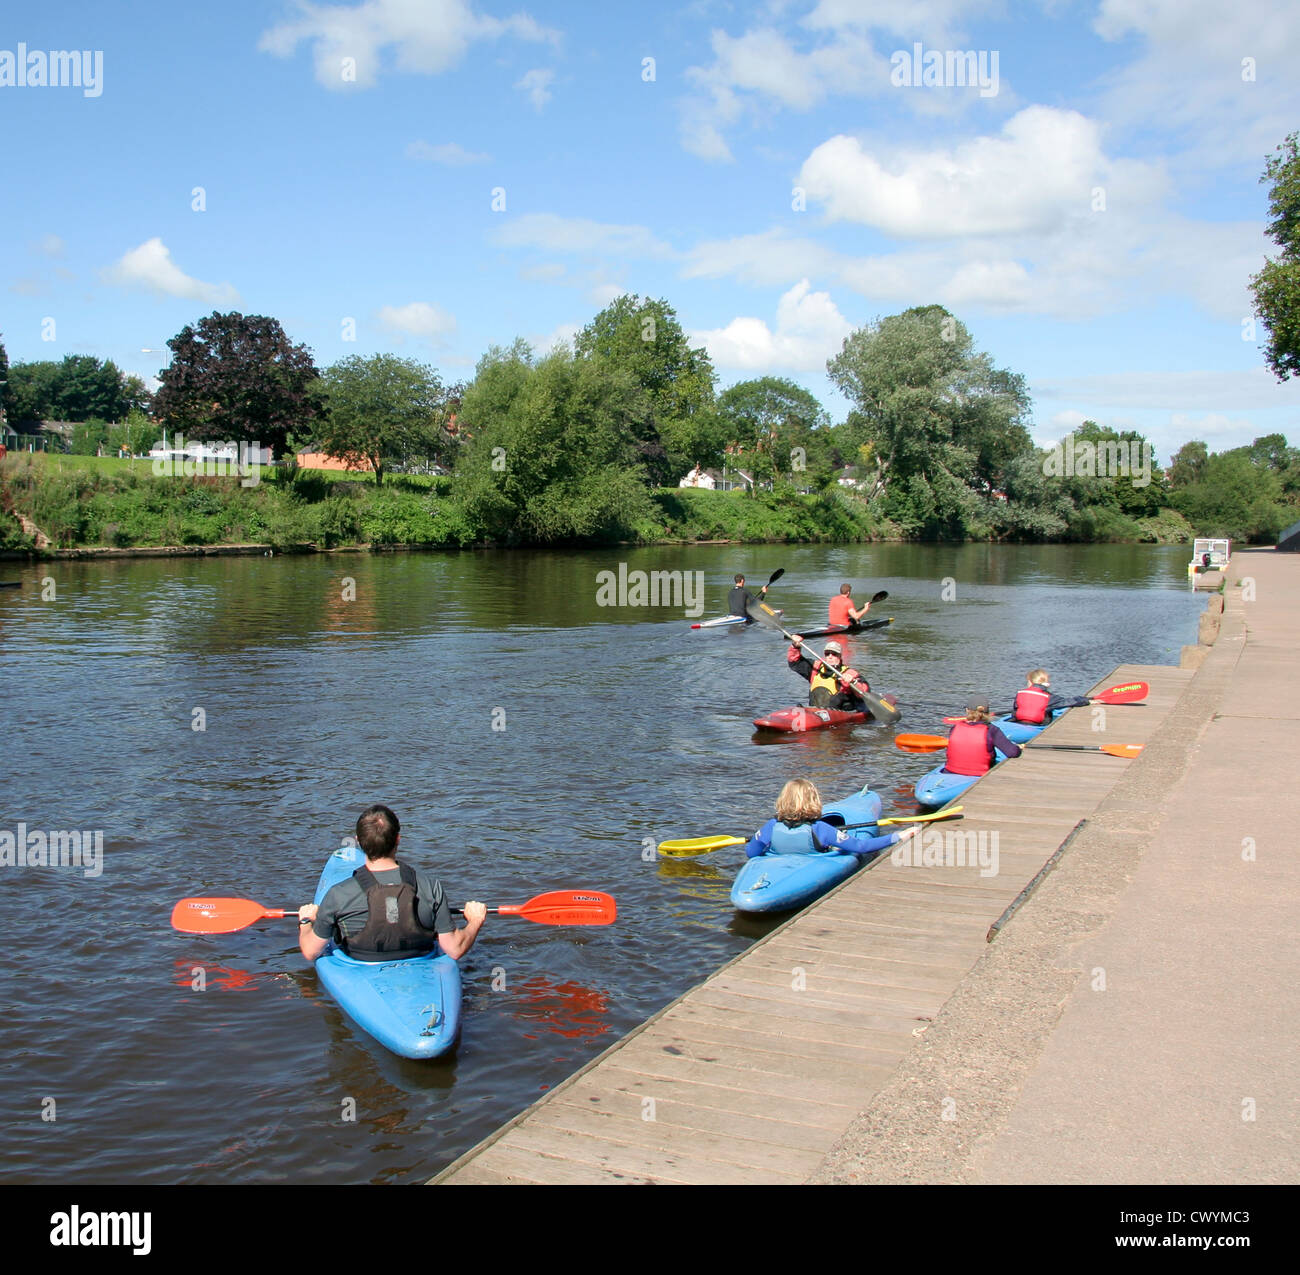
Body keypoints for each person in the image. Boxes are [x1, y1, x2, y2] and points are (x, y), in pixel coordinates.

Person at [297, 804, 486, 963]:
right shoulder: (430, 886)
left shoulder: (338, 894)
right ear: (398, 839)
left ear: (359, 842)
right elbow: (454, 949)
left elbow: (310, 951)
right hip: (419, 959)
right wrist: (474, 921)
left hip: (361, 963)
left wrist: (306, 921)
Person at [743, 779, 917, 860]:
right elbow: (861, 846)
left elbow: (752, 853)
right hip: (812, 864)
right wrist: (899, 836)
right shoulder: (820, 829)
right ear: (814, 801)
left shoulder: (771, 826)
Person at [787, 637, 871, 710]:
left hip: (840, 712)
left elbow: (865, 691)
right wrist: (795, 646)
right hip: (816, 711)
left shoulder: (848, 673)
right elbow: (794, 662)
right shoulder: (815, 668)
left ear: (839, 656)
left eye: (834, 654)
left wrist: (853, 682)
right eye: (827, 654)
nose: (830, 656)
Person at [944, 698, 1022, 776]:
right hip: (979, 774)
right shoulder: (992, 729)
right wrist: (1018, 748)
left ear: (967, 710)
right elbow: (1013, 752)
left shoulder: (955, 728)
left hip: (951, 771)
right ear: (987, 713)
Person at [1010, 669, 1094, 725]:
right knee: (1050, 710)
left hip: (1019, 722)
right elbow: (1070, 701)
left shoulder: (1020, 693)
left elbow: (1014, 712)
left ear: (1030, 682)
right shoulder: (1048, 697)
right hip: (1037, 724)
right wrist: (1086, 700)